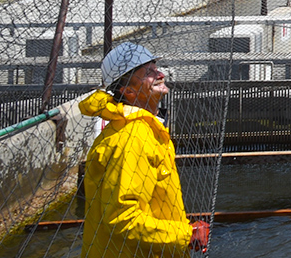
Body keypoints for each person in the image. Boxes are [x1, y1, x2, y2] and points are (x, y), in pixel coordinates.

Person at [78, 43, 209, 258]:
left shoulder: (144, 127)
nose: (160, 74)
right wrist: (186, 235)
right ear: (128, 91)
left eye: (155, 68)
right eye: (148, 73)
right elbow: (122, 220)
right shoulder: (133, 136)